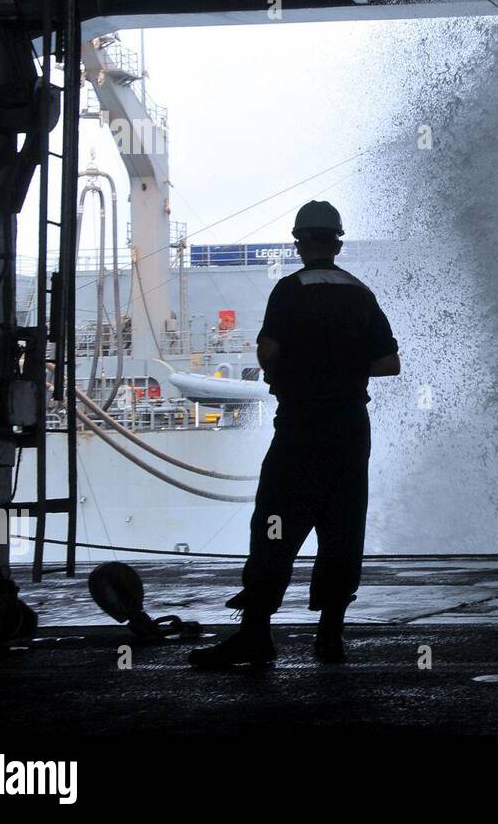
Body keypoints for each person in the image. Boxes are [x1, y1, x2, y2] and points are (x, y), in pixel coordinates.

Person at [190, 200, 400, 668]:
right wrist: (343, 367)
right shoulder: (360, 293)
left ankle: (256, 635)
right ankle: (330, 638)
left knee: (275, 527)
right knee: (342, 529)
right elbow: (389, 364)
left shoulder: (289, 291)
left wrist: (301, 366)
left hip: (301, 429)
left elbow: (268, 353)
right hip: (349, 432)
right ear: (338, 242)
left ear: (300, 242)